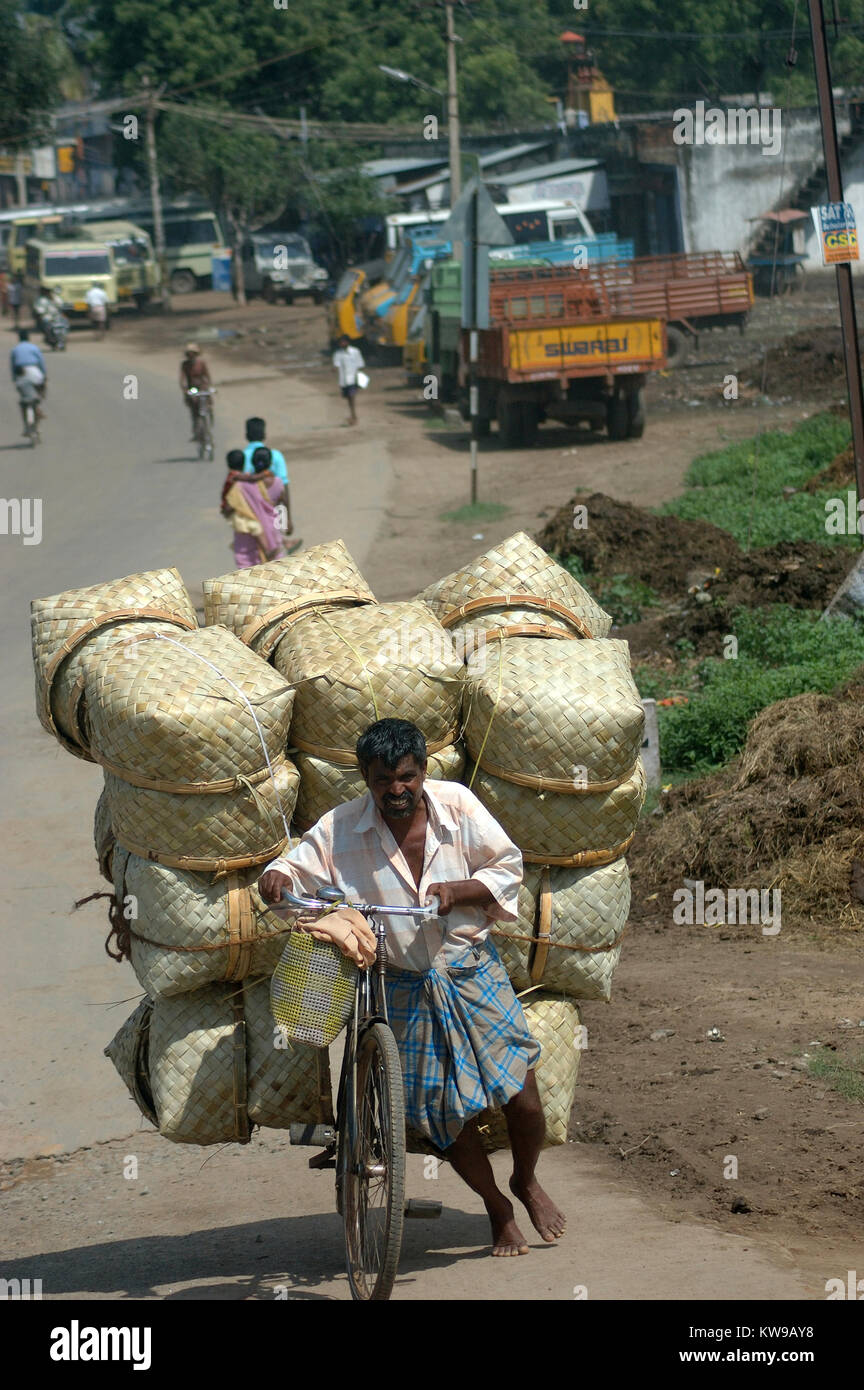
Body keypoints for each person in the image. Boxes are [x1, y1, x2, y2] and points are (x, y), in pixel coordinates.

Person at [259, 718, 566, 1259]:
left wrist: (459, 890)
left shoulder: (459, 806)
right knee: (440, 1115)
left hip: (469, 969)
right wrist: (277, 878)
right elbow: (292, 871)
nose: (396, 790)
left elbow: (508, 867)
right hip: (398, 984)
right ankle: (497, 1206)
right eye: (383, 781)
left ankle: (525, 1180)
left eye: (406, 777)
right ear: (365, 778)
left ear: (423, 770)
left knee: (524, 1095)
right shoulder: (340, 828)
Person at [221, 445, 294, 568]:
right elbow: (283, 501)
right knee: (275, 570)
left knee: (247, 574)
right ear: (270, 463)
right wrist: (288, 520)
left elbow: (228, 508)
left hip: (246, 537)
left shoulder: (242, 484)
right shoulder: (277, 482)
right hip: (272, 532)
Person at [241, 416, 288, 483]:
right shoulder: (276, 455)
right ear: (264, 435)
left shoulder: (241, 457)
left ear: (246, 436)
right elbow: (283, 481)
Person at [180, 343, 212, 440]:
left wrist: (208, 385)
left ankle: (208, 416)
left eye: (193, 353)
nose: (191, 356)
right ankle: (196, 430)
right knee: (194, 408)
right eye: (189, 354)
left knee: (207, 400)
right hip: (192, 388)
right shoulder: (185, 365)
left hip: (202, 386)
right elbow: (182, 379)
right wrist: (185, 390)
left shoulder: (201, 363)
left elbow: (207, 376)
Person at [10, 330, 46, 416]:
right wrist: (44, 375)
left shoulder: (15, 349)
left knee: (23, 398)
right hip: (35, 373)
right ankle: (38, 405)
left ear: (19, 338)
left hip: (21, 374)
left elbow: (12, 366)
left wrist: (14, 378)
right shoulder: (34, 347)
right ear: (28, 338)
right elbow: (41, 363)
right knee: (40, 389)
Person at [332, 333, 365, 425]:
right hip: (344, 380)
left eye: (343, 342)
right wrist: (334, 369)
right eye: (340, 342)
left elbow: (360, 364)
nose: (342, 344)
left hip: (353, 379)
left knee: (352, 396)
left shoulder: (355, 352)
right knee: (348, 398)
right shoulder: (338, 354)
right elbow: (336, 365)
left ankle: (354, 416)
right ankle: (353, 415)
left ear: (347, 342)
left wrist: (359, 378)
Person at [14, 365, 42, 436]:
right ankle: (37, 426)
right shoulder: (29, 378)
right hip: (34, 399)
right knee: (37, 410)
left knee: (23, 413)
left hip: (25, 401)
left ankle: (26, 427)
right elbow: (37, 385)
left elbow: (20, 391)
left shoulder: (18, 382)